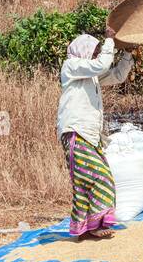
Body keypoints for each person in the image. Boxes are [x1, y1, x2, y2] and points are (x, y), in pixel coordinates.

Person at [57, 27, 134, 240]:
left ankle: (85, 227)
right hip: (76, 131)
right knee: (100, 176)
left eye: (98, 51)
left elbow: (117, 75)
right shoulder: (72, 66)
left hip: (89, 135)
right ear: (84, 50)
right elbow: (102, 64)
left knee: (84, 182)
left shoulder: (90, 75)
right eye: (94, 50)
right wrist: (110, 41)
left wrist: (128, 54)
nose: (97, 54)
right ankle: (95, 224)